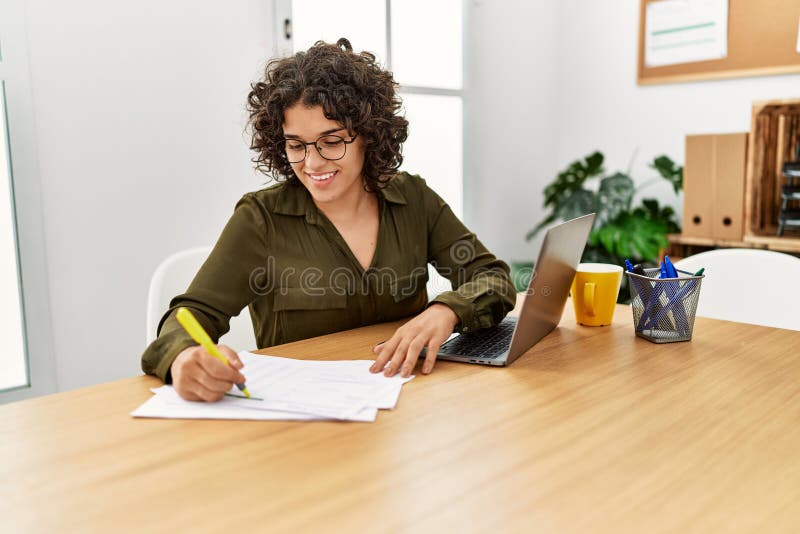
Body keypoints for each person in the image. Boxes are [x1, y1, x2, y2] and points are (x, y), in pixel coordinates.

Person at [141, 38, 515, 402]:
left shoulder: (414, 199)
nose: (312, 163)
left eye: (331, 141)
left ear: (368, 135)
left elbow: (492, 278)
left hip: (405, 406)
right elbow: (189, 315)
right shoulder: (260, 220)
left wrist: (446, 311)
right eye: (296, 145)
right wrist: (184, 358)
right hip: (302, 421)